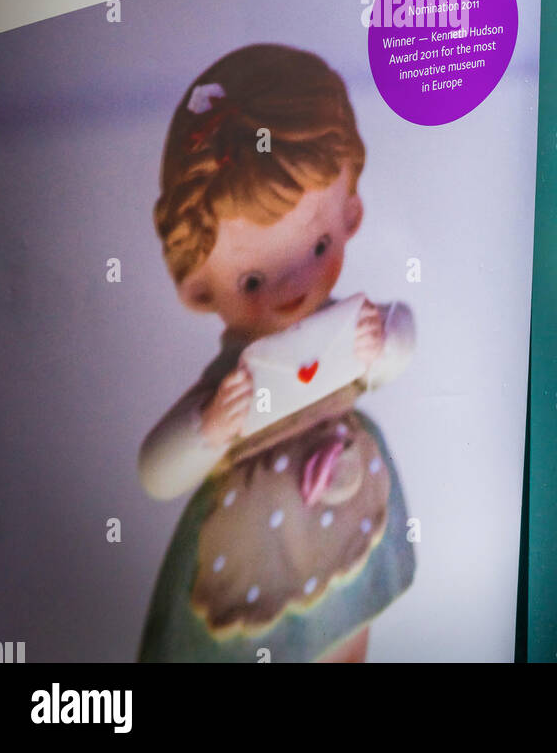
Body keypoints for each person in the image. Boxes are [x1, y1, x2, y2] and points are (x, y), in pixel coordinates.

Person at [137, 44, 415, 663]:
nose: (292, 292)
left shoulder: (343, 329)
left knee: (347, 623)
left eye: (316, 244)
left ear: (350, 212)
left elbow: (402, 338)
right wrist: (209, 431)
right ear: (197, 286)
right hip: (249, 544)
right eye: (253, 281)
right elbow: (157, 472)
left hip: (345, 494)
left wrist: (380, 347)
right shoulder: (232, 382)